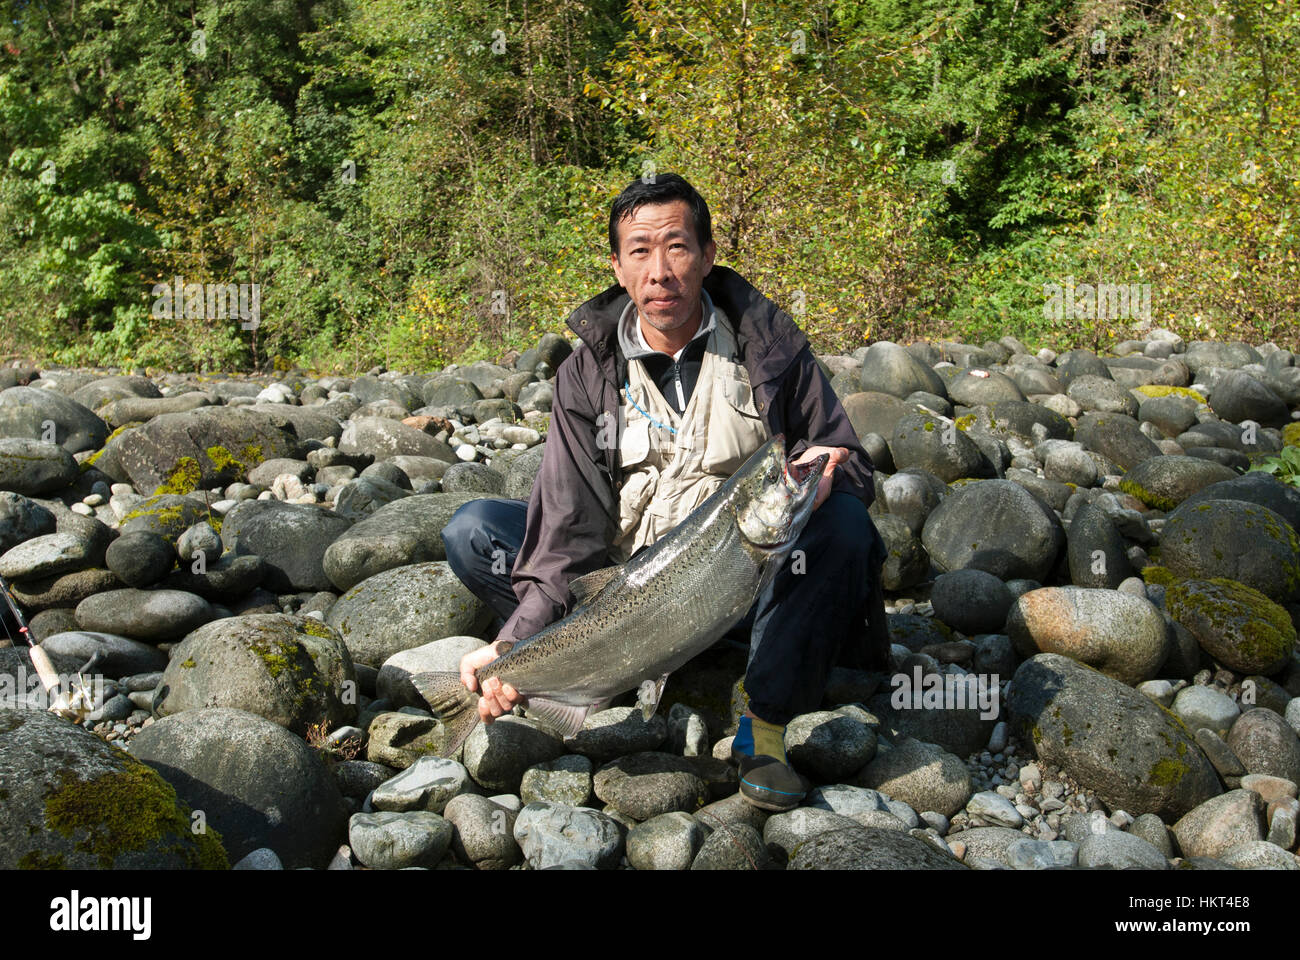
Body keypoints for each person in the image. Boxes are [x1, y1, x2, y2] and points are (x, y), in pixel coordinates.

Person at [442, 173, 888, 811]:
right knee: (472, 529)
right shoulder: (586, 373)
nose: (661, 272)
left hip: (751, 590)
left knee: (844, 524)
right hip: (631, 582)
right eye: (640, 251)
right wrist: (513, 645)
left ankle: (763, 721)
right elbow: (567, 525)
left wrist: (828, 473)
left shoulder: (770, 349)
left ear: (708, 256)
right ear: (618, 267)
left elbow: (856, 468)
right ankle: (589, 666)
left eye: (677, 248)